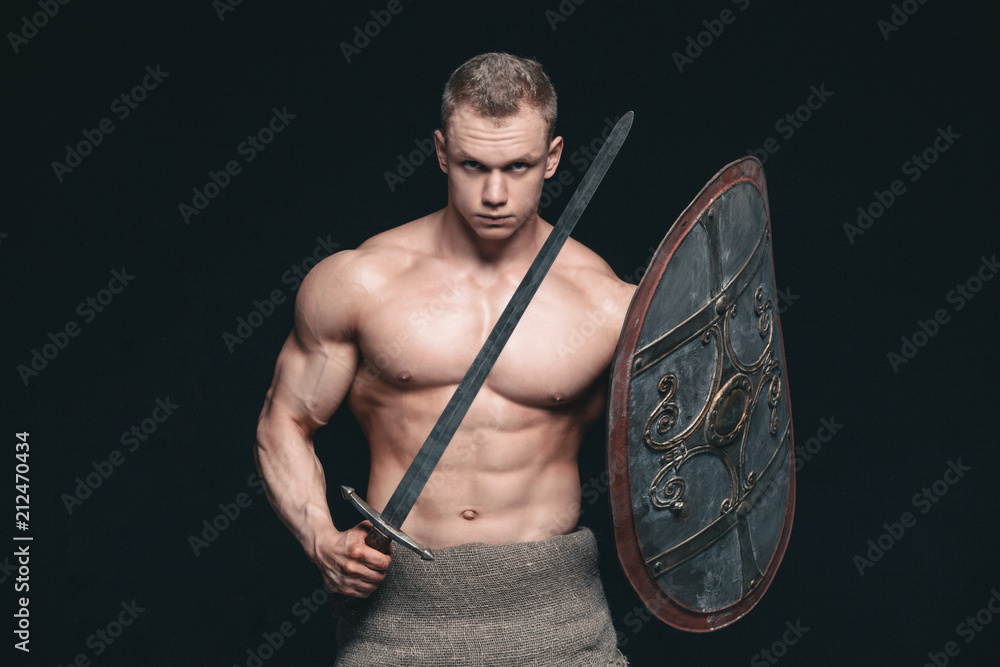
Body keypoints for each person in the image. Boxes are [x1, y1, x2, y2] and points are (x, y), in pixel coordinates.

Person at [254, 52, 634, 665]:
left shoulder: (611, 304)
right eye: (472, 165)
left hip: (558, 612)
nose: (494, 193)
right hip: (401, 615)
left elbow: (683, 456)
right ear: (439, 153)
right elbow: (283, 423)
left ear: (555, 158)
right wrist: (322, 539)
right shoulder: (361, 282)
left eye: (518, 167)